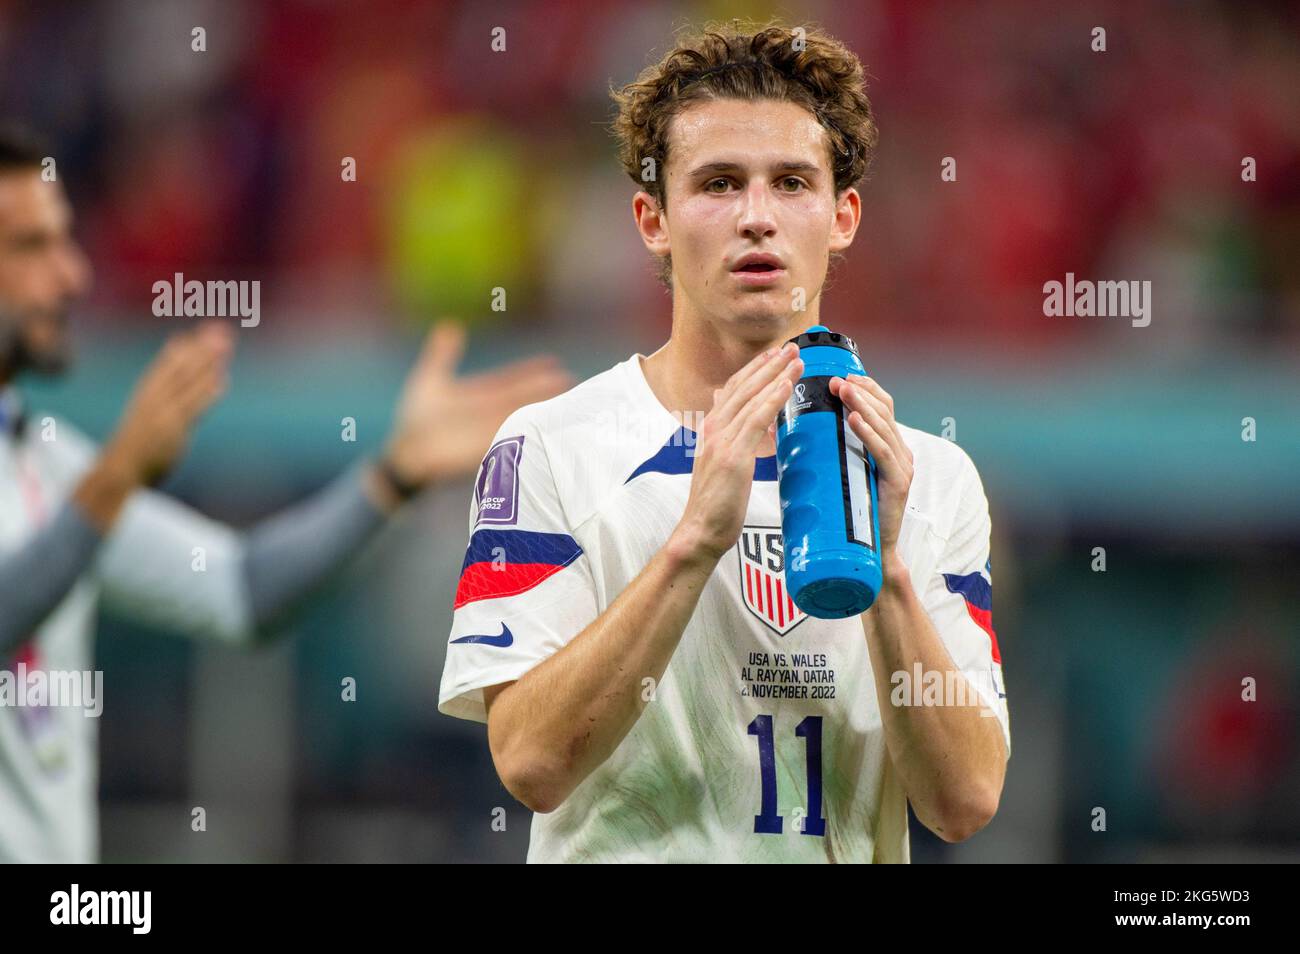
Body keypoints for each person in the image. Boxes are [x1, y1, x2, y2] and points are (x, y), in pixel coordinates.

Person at [439, 21, 1009, 862]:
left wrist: (886, 573)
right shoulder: (553, 446)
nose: (756, 218)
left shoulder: (932, 478)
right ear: (652, 219)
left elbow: (963, 803)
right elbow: (530, 763)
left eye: (791, 183)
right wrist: (692, 544)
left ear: (842, 215)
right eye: (716, 184)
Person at [0, 125, 572, 862]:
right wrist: (116, 478)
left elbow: (242, 591)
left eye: (66, 240)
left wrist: (391, 475)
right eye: (30, 247)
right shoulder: (91, 480)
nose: (73, 275)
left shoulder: (49, 463)